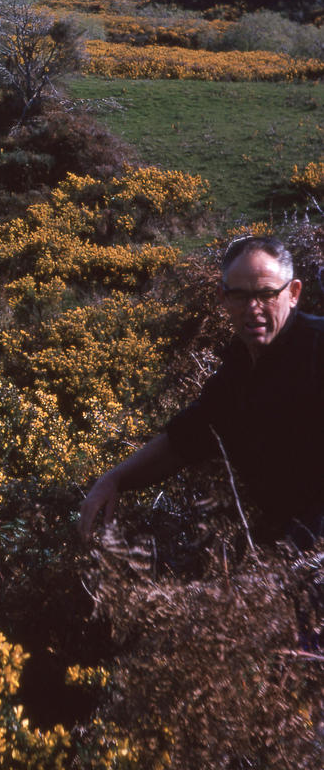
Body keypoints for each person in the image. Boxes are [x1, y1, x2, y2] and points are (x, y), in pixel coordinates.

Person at [79, 234, 324, 549]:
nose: (253, 308)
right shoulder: (240, 364)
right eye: (239, 295)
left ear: (293, 293)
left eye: (266, 294)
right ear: (223, 297)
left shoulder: (318, 348)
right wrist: (114, 480)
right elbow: (188, 437)